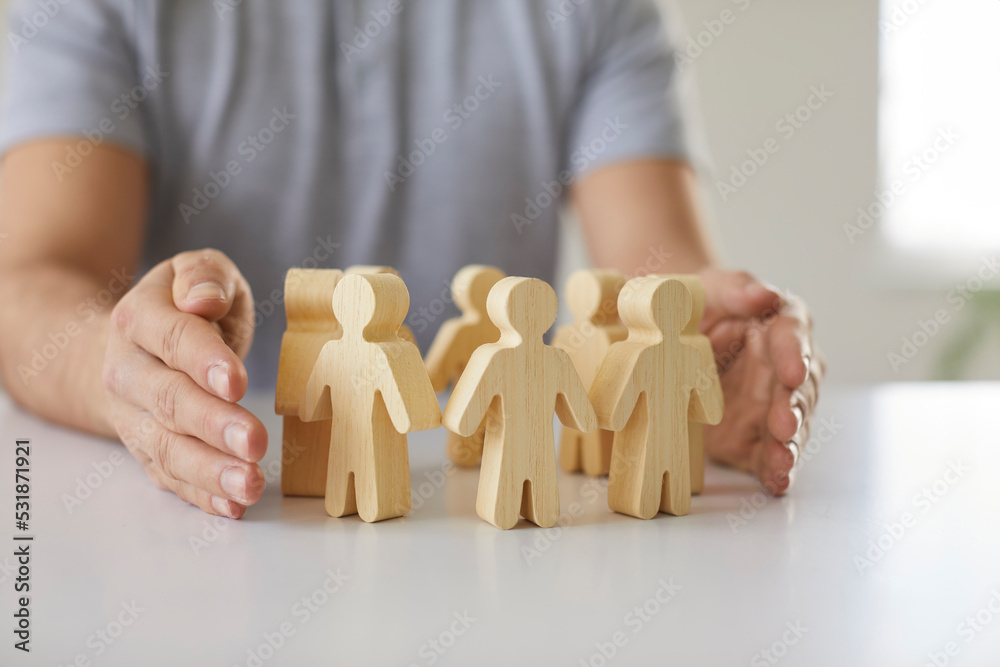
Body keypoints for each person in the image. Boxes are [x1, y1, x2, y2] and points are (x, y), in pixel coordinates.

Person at [0, 0, 822, 519]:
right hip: (220, 507)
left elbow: (651, 281)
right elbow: (32, 273)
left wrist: (719, 349)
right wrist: (119, 367)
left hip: (459, 507)